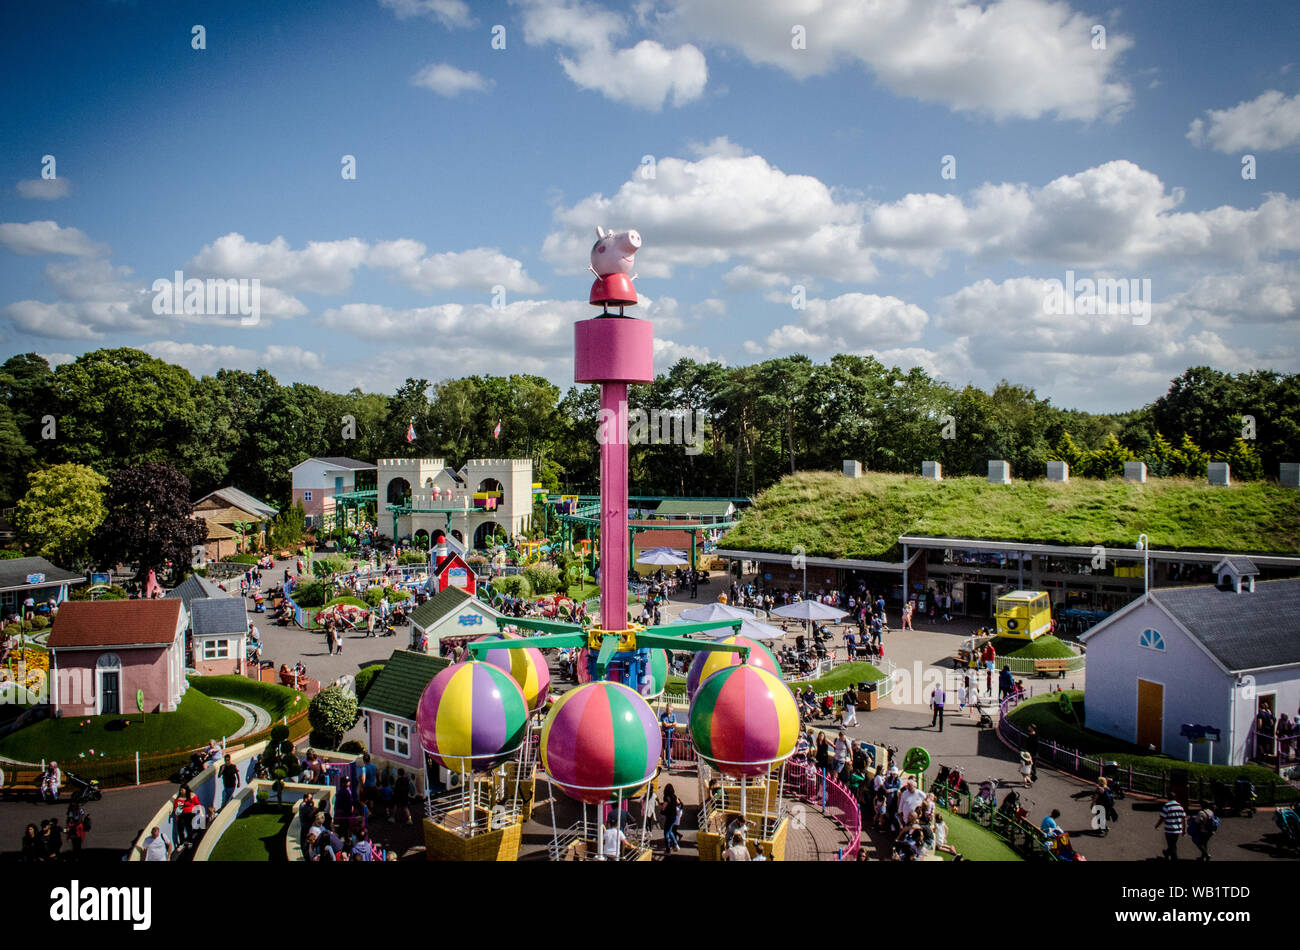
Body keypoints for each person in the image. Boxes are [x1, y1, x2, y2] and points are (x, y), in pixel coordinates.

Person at [660, 783, 681, 853]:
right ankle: (676, 844)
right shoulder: (674, 796)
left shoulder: (666, 797)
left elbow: (663, 808)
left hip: (669, 816)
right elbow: (678, 803)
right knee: (670, 831)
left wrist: (661, 806)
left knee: (666, 833)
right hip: (674, 816)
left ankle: (668, 850)